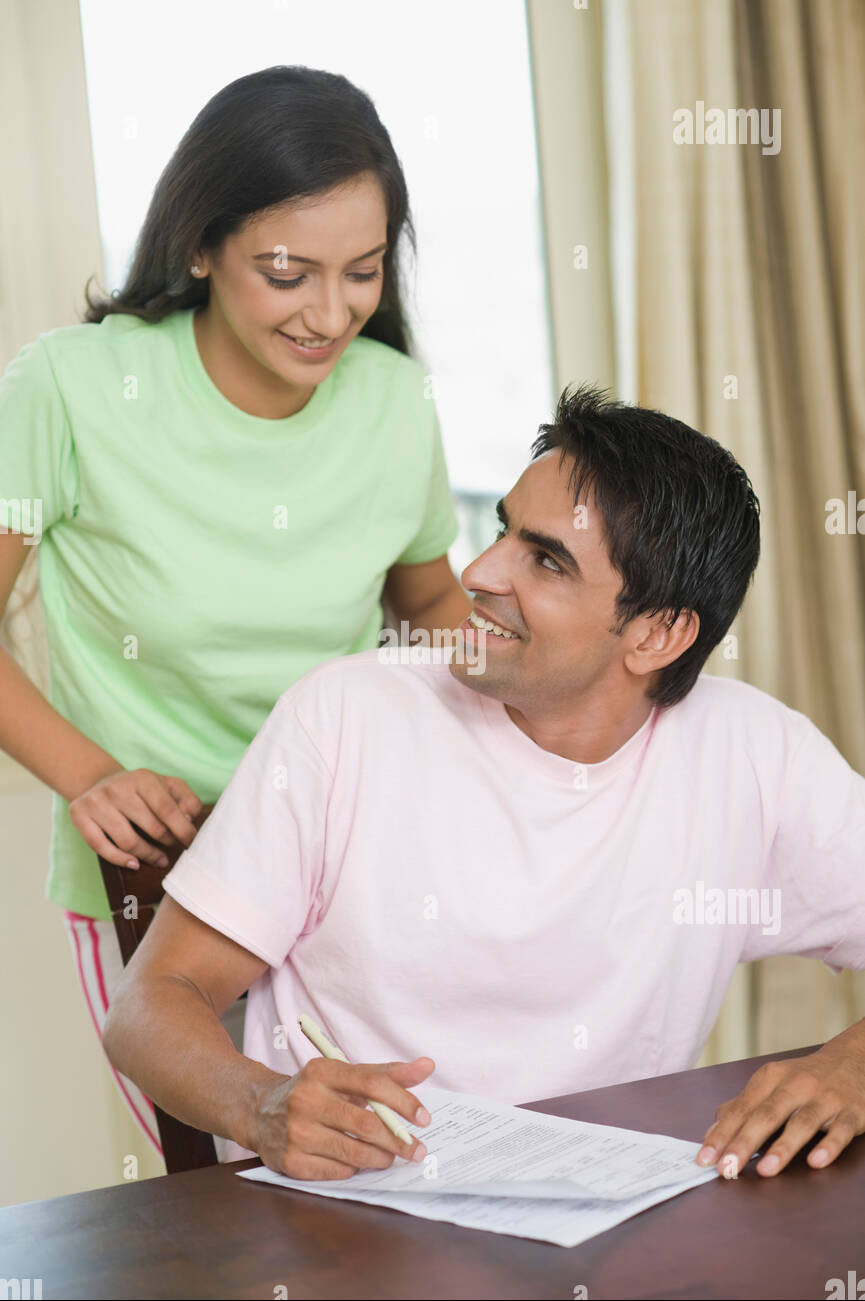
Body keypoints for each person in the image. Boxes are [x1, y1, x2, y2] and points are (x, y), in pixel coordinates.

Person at [102, 384, 865, 1184]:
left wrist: (849, 1064)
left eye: (545, 560)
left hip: (614, 1218)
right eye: (503, 529)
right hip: (351, 1226)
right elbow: (149, 1004)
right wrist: (260, 1103)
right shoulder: (346, 716)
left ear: (657, 633)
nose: (477, 570)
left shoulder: (752, 752)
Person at [0, 66, 469, 1157]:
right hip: (159, 876)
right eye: (286, 272)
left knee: (389, 1170)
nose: (329, 312)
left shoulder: (394, 397)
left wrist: (540, 644)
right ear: (200, 244)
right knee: (233, 1187)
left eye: (361, 272)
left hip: (349, 856)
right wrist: (89, 774)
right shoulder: (68, 388)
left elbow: (426, 602)